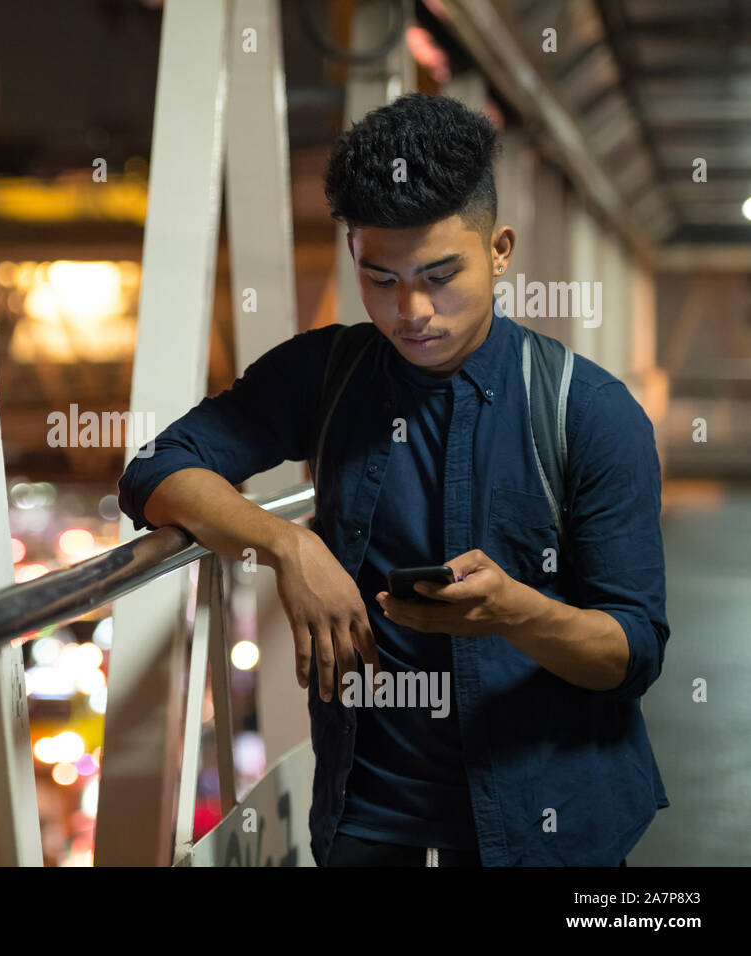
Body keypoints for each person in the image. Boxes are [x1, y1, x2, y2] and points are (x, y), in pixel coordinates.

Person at [116, 93, 668, 867]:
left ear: (501, 249)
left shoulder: (591, 413)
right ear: (355, 259)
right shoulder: (327, 374)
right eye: (382, 279)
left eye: (441, 276)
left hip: (548, 828)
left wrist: (516, 612)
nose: (412, 312)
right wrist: (286, 545)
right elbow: (154, 470)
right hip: (367, 827)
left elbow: (631, 654)